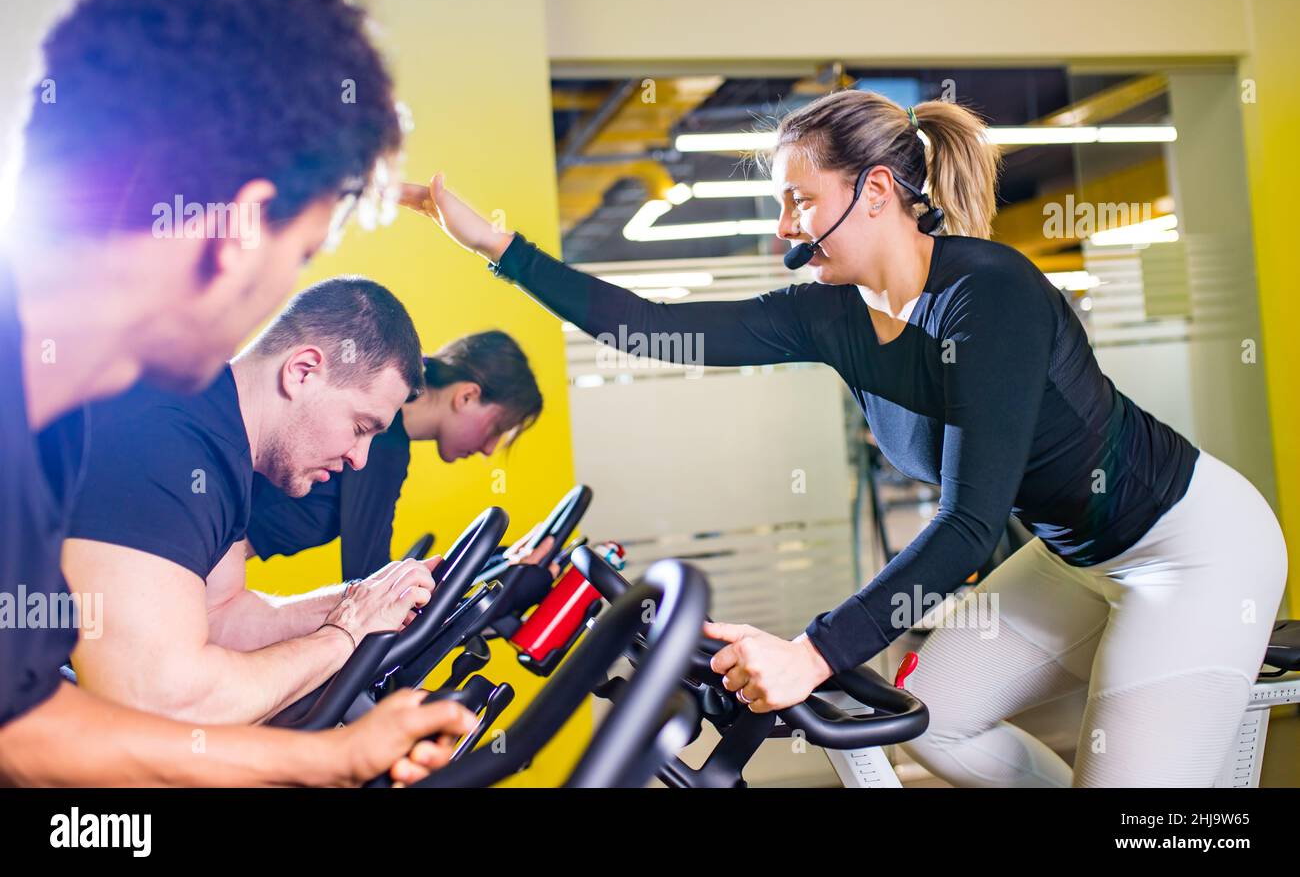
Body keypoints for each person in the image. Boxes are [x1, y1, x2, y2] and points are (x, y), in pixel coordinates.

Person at [399, 89, 1289, 787]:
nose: (785, 227)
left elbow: (970, 528)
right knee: (937, 721)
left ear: (873, 192)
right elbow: (647, 326)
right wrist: (494, 246)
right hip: (1072, 559)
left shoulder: (991, 297)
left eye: (798, 201)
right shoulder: (830, 316)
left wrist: (814, 649)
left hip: (1192, 551)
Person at [0, 0, 471, 786]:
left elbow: (20, 718)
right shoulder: (112, 425)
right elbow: (149, 702)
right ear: (238, 235)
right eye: (297, 257)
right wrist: (323, 736)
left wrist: (341, 697)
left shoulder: (61, 417)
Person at [62, 278, 445, 725]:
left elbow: (221, 618)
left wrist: (363, 603)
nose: (360, 460)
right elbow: (159, 698)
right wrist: (342, 636)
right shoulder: (172, 445)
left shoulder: (221, 443)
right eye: (361, 428)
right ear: (302, 371)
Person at [248, 330, 544, 581]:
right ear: (467, 396)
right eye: (496, 428)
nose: (489, 449)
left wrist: (498, 564)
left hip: (216, 555)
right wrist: (499, 571)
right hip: (211, 552)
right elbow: (367, 580)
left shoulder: (388, 438)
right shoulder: (384, 441)